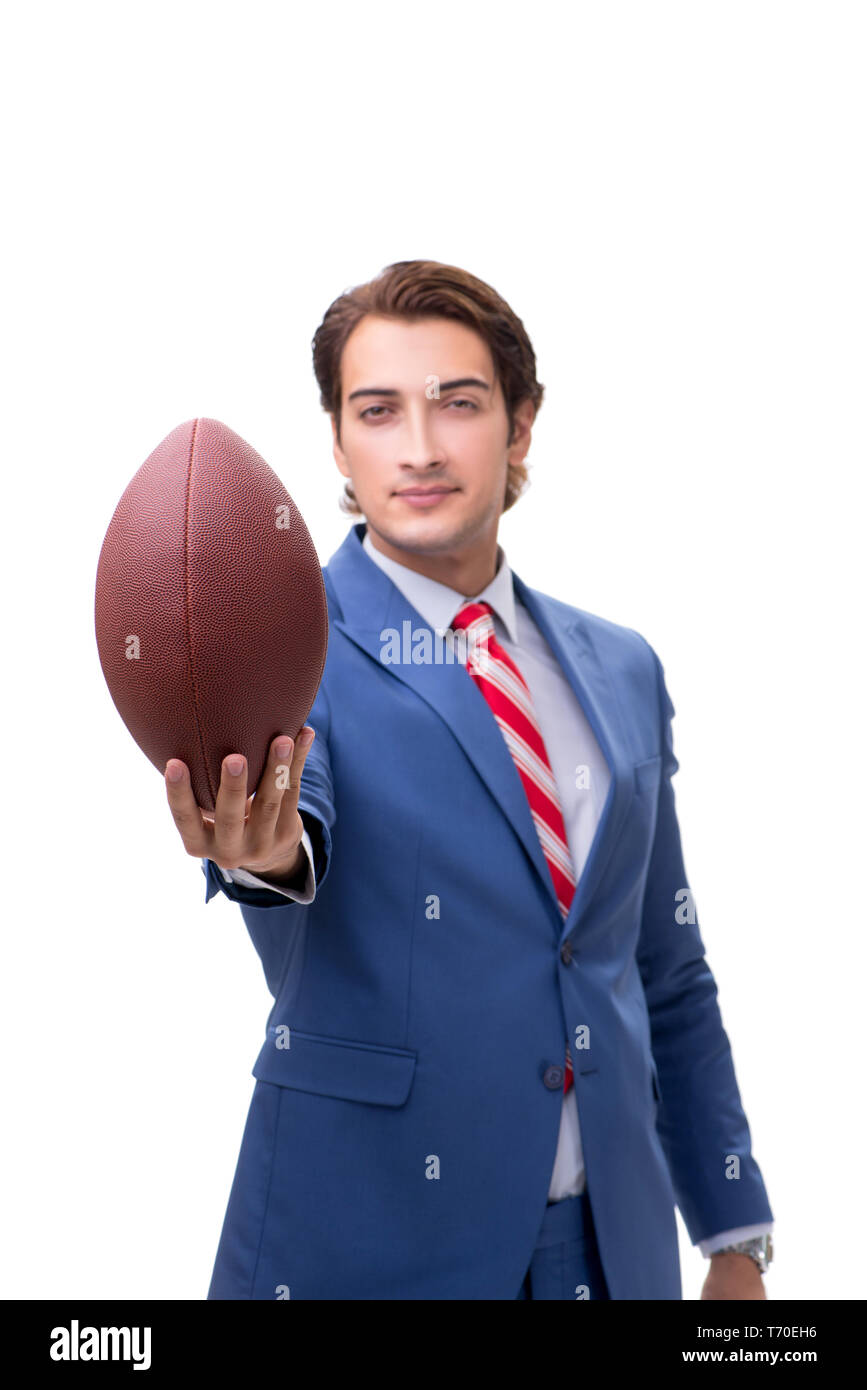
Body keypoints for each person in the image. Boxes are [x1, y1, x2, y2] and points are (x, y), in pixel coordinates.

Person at [165, 260, 774, 1300]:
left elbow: (664, 967)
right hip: (370, 1241)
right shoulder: (288, 646)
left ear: (521, 427)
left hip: (611, 1256)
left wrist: (730, 1230)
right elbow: (288, 831)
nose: (420, 447)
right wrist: (265, 853)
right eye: (377, 410)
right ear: (338, 439)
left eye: (459, 403)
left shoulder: (620, 665)